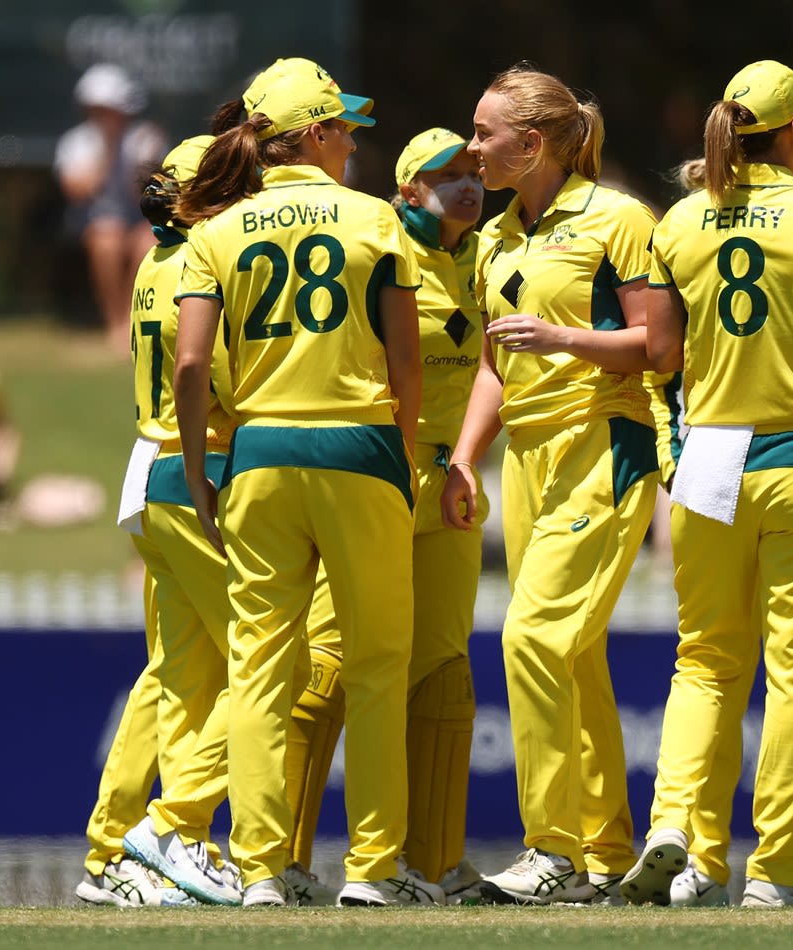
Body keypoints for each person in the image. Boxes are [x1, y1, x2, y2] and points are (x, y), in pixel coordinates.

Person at [172, 56, 440, 907]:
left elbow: (188, 367)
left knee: (258, 668)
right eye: (346, 129)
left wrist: (196, 468)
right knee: (375, 665)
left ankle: (258, 871)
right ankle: (369, 870)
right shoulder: (374, 219)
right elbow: (407, 360)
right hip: (360, 449)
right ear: (318, 131)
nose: (354, 143)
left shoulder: (217, 231)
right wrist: (395, 453)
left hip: (258, 455)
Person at [619, 59, 793, 909]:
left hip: (707, 462)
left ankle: (678, 833)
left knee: (702, 663)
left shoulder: (683, 220)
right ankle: (772, 873)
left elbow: (660, 355)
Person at [439, 64, 660, 906]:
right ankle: (606, 852)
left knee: (531, 638)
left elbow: (658, 344)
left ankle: (551, 852)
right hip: (528, 456)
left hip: (607, 440)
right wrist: (466, 455)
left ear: (532, 144)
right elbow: (498, 365)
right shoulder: (495, 237)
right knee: (574, 658)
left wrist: (564, 337)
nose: (473, 148)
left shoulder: (618, 219)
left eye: (485, 133)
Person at [279, 127, 490, 905]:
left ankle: (432, 867)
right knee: (334, 663)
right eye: (445, 174)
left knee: (442, 670)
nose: (466, 182)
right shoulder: (376, 246)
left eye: (472, 168)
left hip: (452, 480)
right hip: (375, 473)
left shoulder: (494, 254)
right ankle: (282, 865)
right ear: (407, 190)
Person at [76, 134, 239, 908]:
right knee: (273, 658)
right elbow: (215, 375)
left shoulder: (156, 258)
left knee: (174, 675)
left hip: (150, 471)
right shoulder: (205, 262)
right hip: (192, 470)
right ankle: (172, 835)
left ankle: (113, 849)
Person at [54, 63, 167, 350]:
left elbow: (145, 196)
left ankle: (134, 319)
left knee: (148, 239)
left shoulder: (146, 138)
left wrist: (137, 158)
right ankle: (115, 324)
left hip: (139, 221)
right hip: (95, 223)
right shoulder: (75, 142)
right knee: (107, 238)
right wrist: (108, 149)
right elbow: (78, 192)